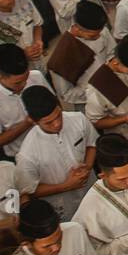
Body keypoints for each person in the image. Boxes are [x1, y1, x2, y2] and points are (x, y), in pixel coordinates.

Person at [15, 85, 97, 222]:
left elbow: (91, 144)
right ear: (34, 121)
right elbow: (29, 190)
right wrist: (66, 185)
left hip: (91, 191)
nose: (57, 124)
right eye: (48, 123)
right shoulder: (27, 154)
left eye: (58, 115)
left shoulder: (78, 119)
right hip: (64, 207)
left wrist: (87, 167)